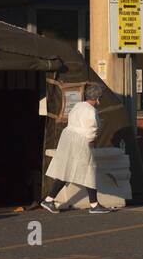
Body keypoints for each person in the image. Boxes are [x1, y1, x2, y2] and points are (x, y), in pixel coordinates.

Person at [41, 83, 112, 214]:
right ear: (97, 98)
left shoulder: (77, 106)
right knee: (89, 170)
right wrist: (92, 138)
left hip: (68, 138)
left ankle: (49, 199)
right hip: (80, 141)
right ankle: (94, 205)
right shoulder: (91, 111)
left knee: (67, 169)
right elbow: (92, 129)